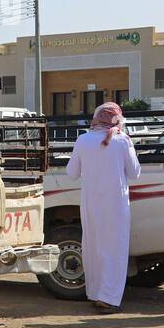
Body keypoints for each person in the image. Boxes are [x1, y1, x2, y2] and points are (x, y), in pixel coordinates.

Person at [65, 101, 141, 313]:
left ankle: (96, 293)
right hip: (116, 205)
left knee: (93, 248)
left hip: (91, 204)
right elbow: (135, 173)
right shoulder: (123, 140)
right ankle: (109, 298)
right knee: (115, 250)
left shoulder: (83, 140)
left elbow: (71, 173)